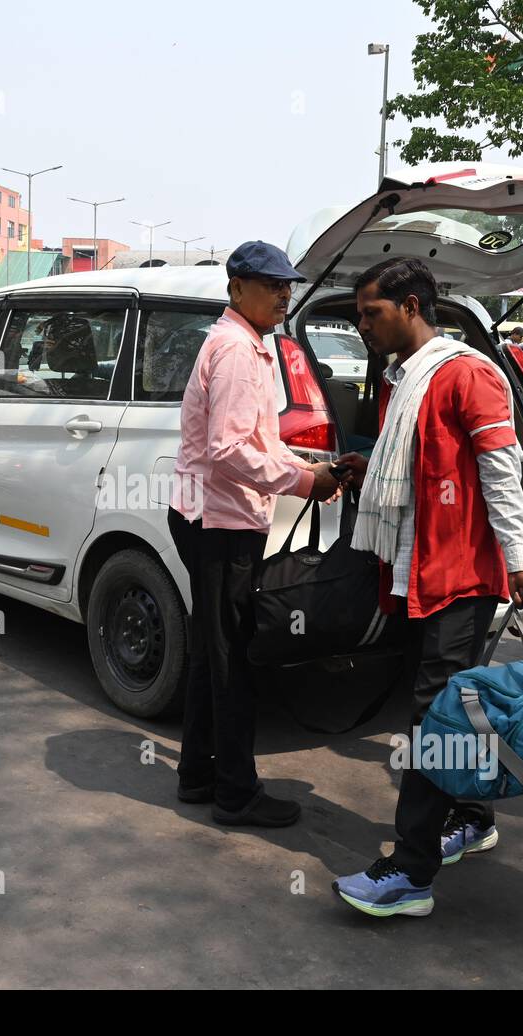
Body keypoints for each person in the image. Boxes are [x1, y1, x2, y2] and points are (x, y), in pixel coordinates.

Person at [328, 256, 523, 918]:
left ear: (413, 307)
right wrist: (374, 468)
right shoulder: (408, 381)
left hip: (462, 576)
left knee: (434, 718)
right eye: (360, 315)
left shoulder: (466, 373)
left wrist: (520, 561)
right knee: (451, 706)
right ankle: (472, 818)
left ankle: (412, 873)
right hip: (418, 568)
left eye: (372, 313)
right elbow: (424, 465)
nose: (363, 325)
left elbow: (500, 471)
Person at [168, 240, 340, 829]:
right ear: (238, 287)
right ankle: (235, 794)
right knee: (231, 659)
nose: (284, 295)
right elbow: (230, 450)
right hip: (218, 522)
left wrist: (308, 468)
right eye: (272, 285)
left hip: (211, 516)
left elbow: (254, 441)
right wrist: (303, 482)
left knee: (212, 651)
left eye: (288, 285)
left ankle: (197, 774)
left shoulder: (246, 345)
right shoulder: (239, 350)